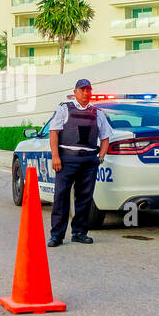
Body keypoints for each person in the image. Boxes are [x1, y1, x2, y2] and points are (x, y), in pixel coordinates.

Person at [46, 78, 112, 247]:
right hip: (66, 160)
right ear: (75, 92)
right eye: (82, 90)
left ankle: (80, 233)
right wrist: (55, 156)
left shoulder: (98, 113)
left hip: (89, 160)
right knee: (61, 198)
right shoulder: (63, 109)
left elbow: (105, 137)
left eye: (88, 90)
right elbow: (54, 133)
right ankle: (57, 236)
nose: (85, 93)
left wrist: (101, 157)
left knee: (84, 198)